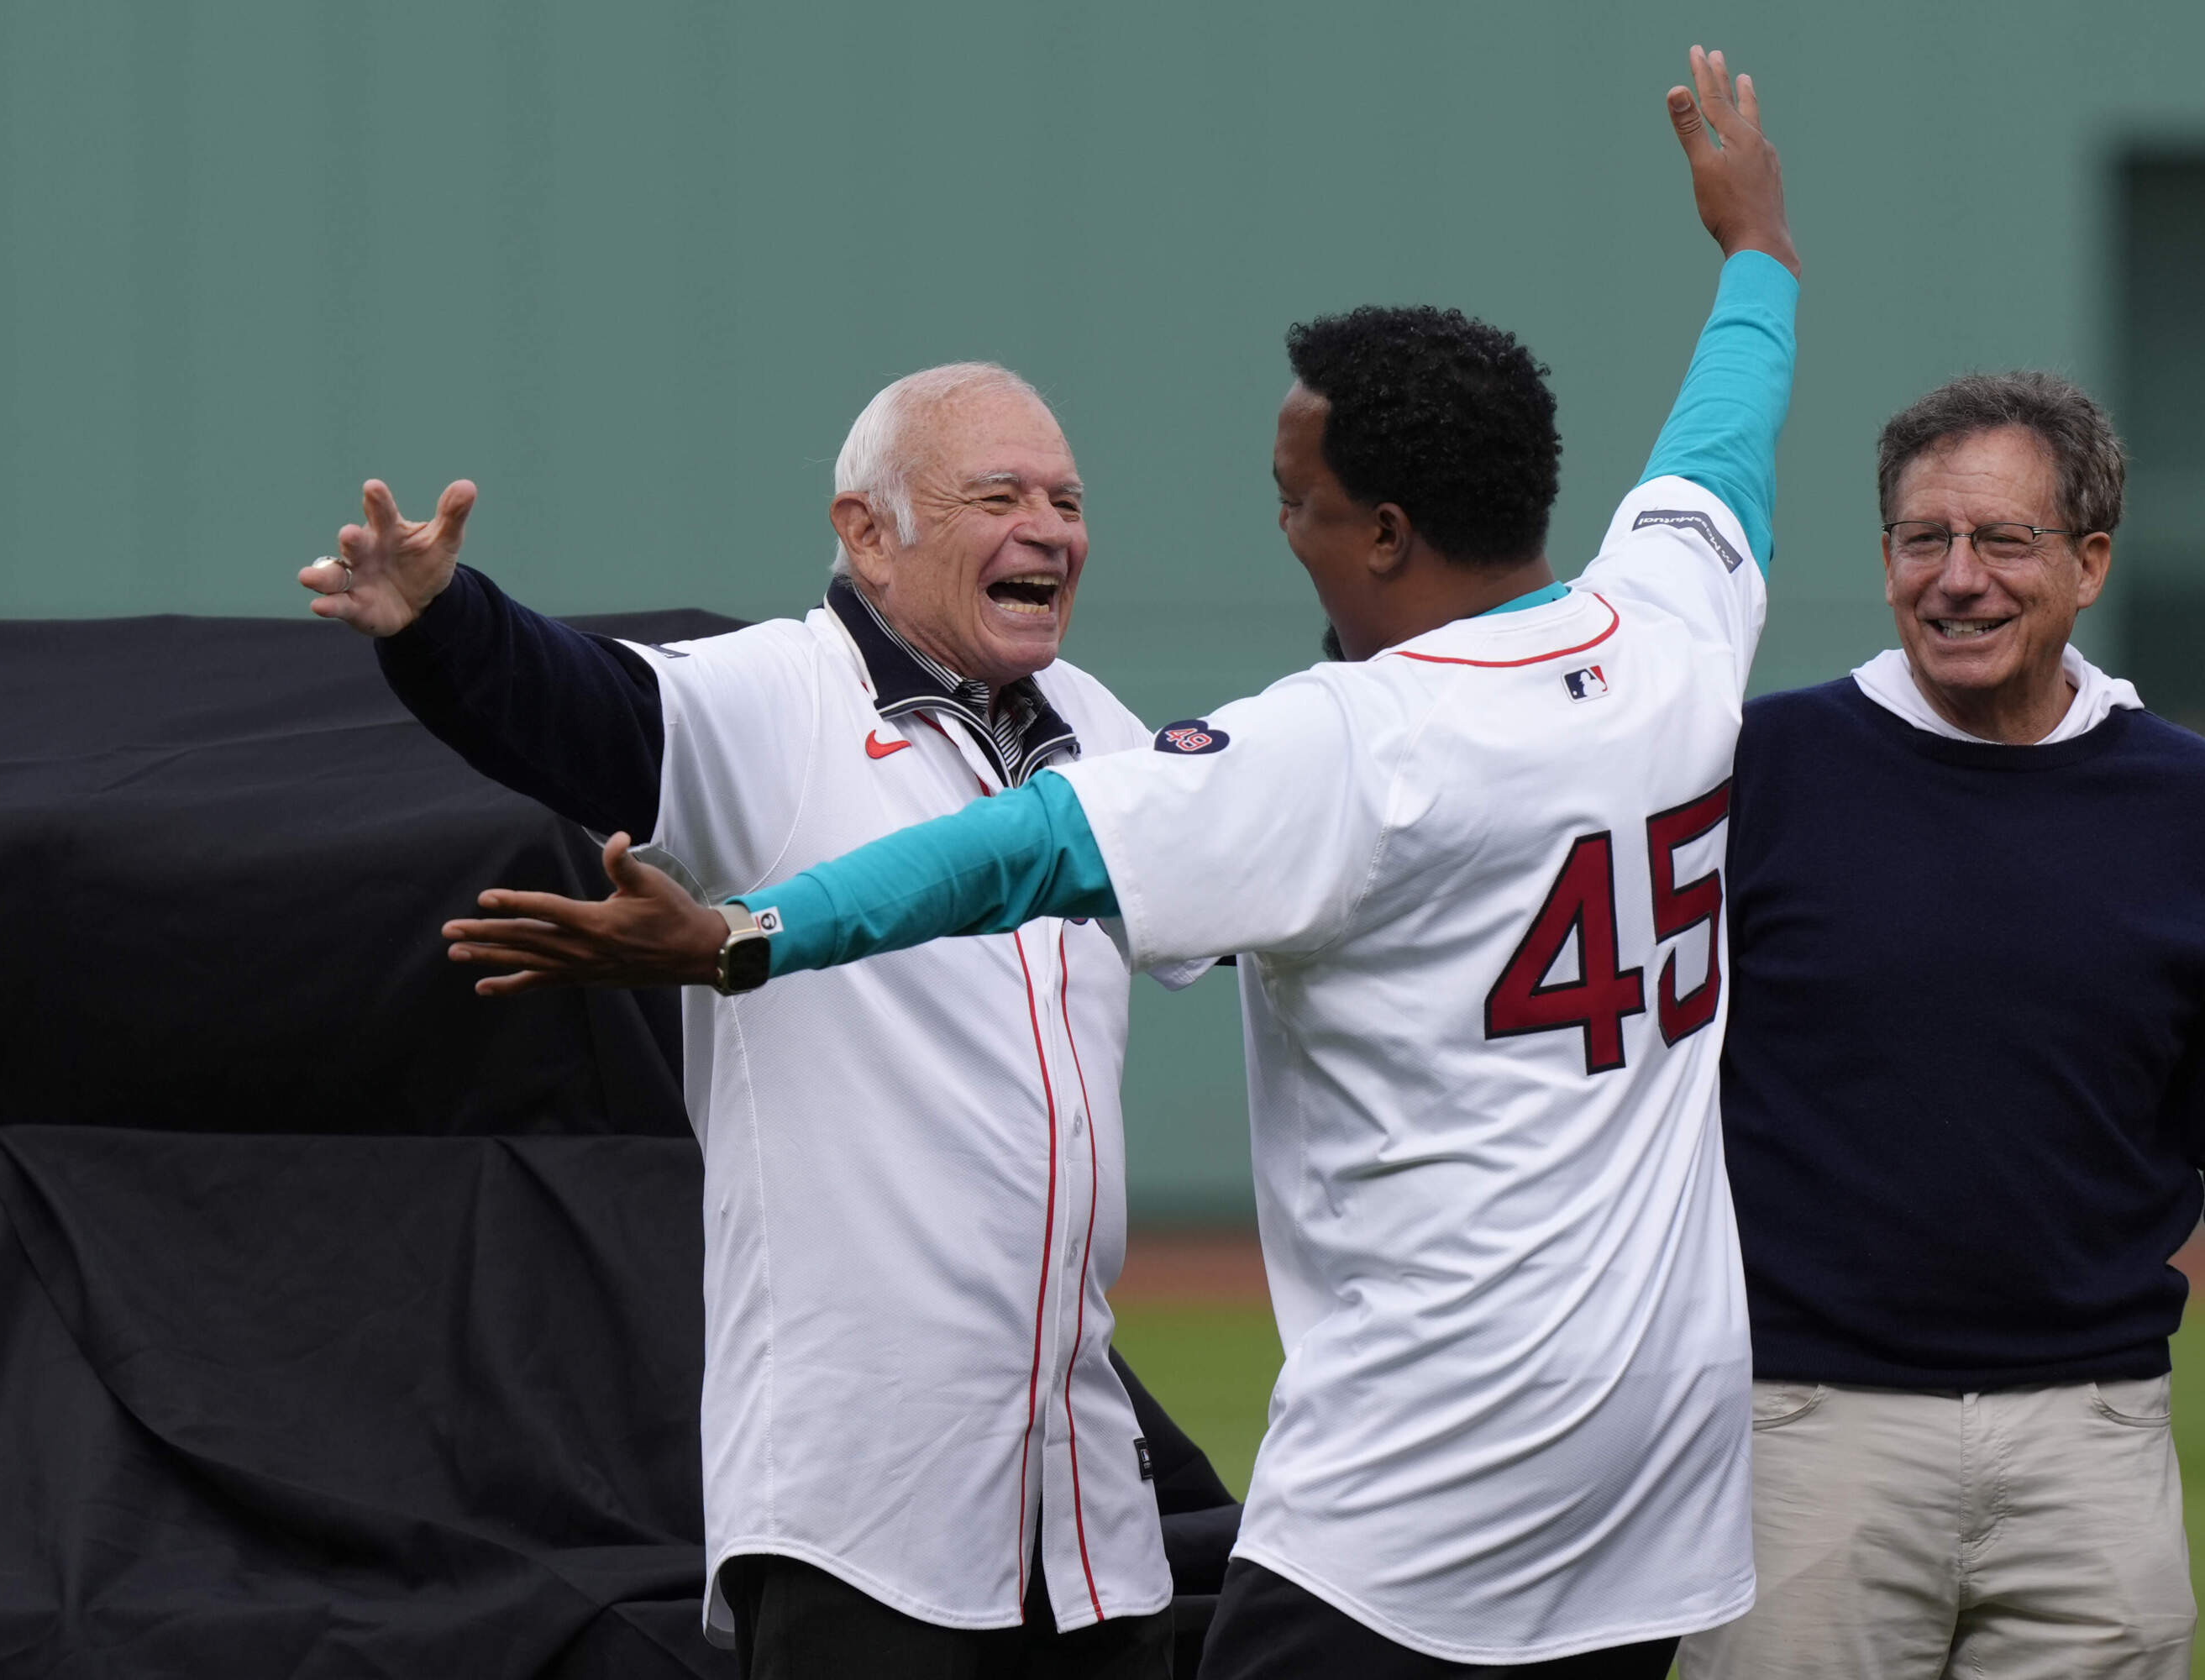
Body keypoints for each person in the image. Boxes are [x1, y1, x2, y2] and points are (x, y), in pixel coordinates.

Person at [444, 45, 1799, 1678]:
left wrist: (748, 933)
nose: (1277, 524)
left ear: (1379, 530)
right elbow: (1723, 439)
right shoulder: (1675, 630)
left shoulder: (1352, 739)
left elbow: (1017, 850)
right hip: (1658, 1478)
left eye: (1295, 498)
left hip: (1423, 1497)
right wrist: (1757, 257)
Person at [298, 361, 1237, 1677]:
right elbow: (592, 711)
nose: (1052, 528)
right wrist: (442, 624)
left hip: (1080, 1509)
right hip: (860, 1510)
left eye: (1068, 499)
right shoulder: (784, 697)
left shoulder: (1090, 728)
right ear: (866, 531)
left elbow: (1254, 882)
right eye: (999, 495)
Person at [1677, 371, 2205, 1678]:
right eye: (1923, 539)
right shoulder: (1760, 773)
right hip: (1801, 1435)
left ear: (2090, 561)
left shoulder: (2192, 804)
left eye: (2004, 540)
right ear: (1885, 557)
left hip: (2093, 1443)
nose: (1958, 578)